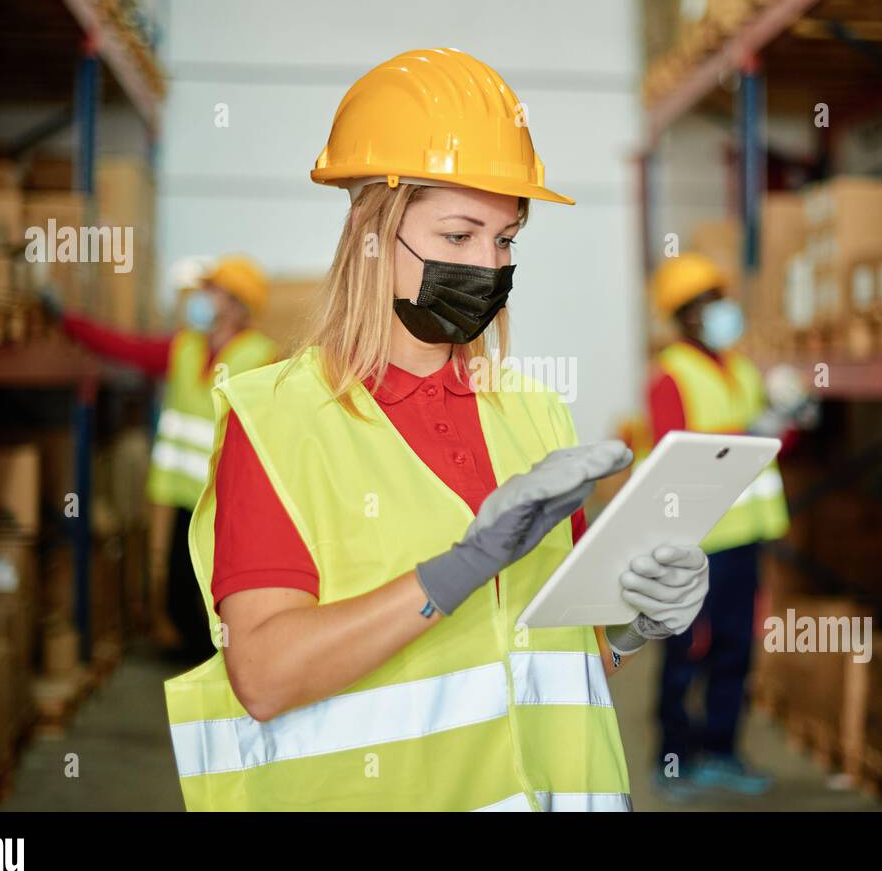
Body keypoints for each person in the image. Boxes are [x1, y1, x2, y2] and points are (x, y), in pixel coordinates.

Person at [162, 48, 711, 812]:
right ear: (371, 234)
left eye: (506, 239)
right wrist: (457, 569)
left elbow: (543, 658)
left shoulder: (534, 412)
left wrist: (628, 627)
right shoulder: (281, 421)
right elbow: (264, 675)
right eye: (458, 236)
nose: (488, 265)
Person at [52, 254, 279, 662]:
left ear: (235, 304)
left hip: (231, 499)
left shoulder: (261, 356)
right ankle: (204, 660)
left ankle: (229, 663)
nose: (202, 298)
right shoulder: (185, 347)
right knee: (177, 587)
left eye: (213, 291)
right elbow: (125, 348)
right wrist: (67, 322)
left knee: (222, 588)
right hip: (184, 494)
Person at [645, 251, 793, 799]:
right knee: (685, 651)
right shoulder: (670, 377)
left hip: (745, 538)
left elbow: (767, 446)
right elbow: (677, 452)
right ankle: (674, 759)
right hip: (695, 544)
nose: (721, 311)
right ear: (684, 316)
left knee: (735, 650)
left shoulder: (742, 367)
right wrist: (748, 427)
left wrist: (787, 418)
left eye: (720, 300)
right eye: (709, 303)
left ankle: (722, 751)